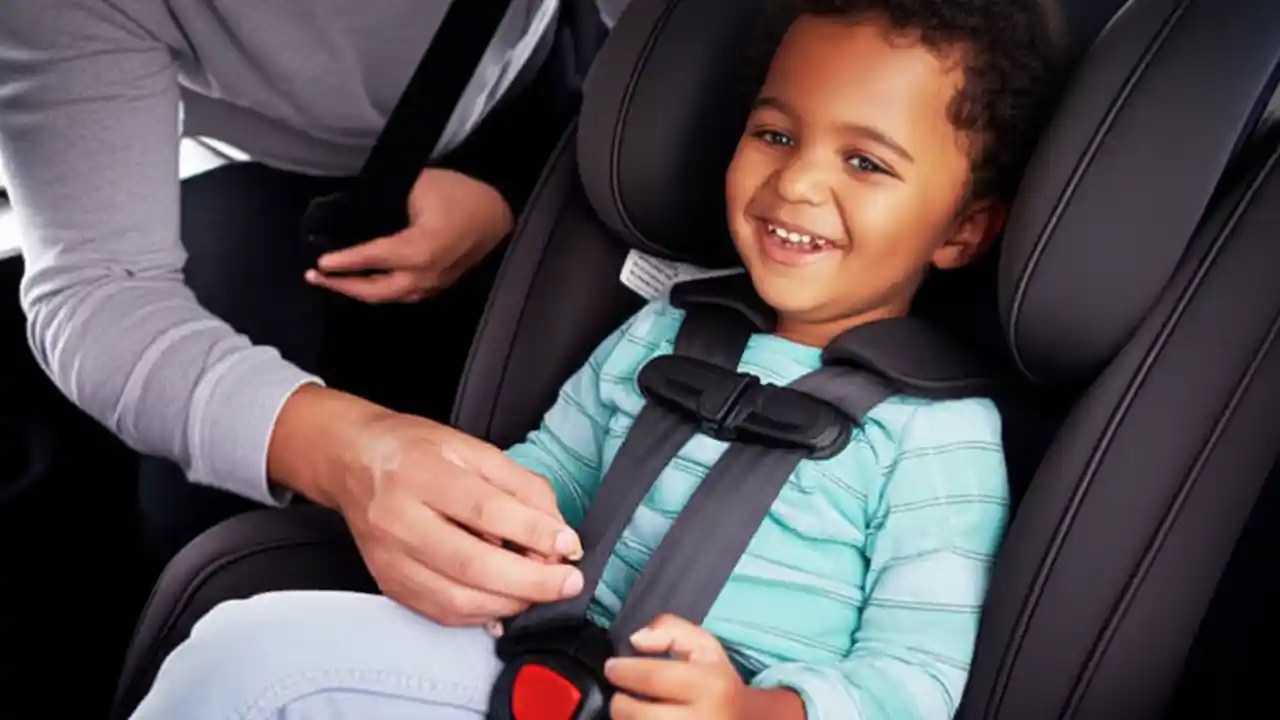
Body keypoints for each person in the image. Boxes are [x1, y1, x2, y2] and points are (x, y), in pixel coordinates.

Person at [129, 0, 1068, 718]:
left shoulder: (938, 436)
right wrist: (483, 539)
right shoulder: (663, 331)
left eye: (866, 163)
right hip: (539, 666)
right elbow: (551, 479)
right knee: (246, 644)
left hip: (721, 706)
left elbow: (915, 675)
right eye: (775, 134)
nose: (798, 179)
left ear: (964, 229)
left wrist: (751, 710)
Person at [0, 0, 631, 617]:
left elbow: (692, 57)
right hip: (255, 166)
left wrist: (517, 201)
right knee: (193, 518)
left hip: (536, 117)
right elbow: (101, 288)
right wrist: (348, 454)